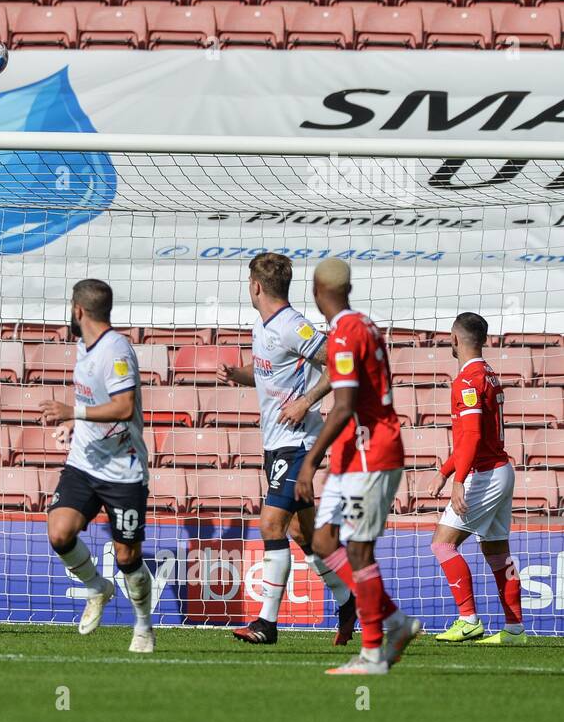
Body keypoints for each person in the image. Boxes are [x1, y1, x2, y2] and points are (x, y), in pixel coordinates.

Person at [217, 253, 357, 646]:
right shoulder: (262, 326)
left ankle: (266, 623)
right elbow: (268, 375)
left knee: (270, 525)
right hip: (275, 442)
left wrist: (307, 400)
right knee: (305, 535)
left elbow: (340, 362)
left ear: (256, 286)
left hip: (298, 444)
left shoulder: (293, 326)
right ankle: (349, 600)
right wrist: (238, 375)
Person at [293, 259, 422, 675]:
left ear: (316, 291)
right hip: (353, 456)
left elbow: (345, 404)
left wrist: (310, 461)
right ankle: (395, 622)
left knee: (359, 549)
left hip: (371, 456)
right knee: (325, 541)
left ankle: (371, 655)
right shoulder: (363, 325)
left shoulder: (346, 333)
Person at [38, 279, 155, 654]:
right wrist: (77, 423)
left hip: (124, 470)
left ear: (78, 311)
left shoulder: (116, 350)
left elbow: (123, 407)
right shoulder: (82, 346)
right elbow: (97, 400)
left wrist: (73, 412)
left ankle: (142, 625)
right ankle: (96, 587)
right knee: (59, 532)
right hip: (85, 463)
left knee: (127, 557)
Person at [428, 312, 524, 646]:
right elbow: (478, 436)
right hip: (502, 470)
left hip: (484, 474)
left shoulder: (467, 381)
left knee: (442, 543)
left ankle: (468, 620)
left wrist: (458, 480)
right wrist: (444, 471)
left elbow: (469, 437)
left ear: (455, 339)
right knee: (497, 552)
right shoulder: (490, 375)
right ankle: (514, 630)